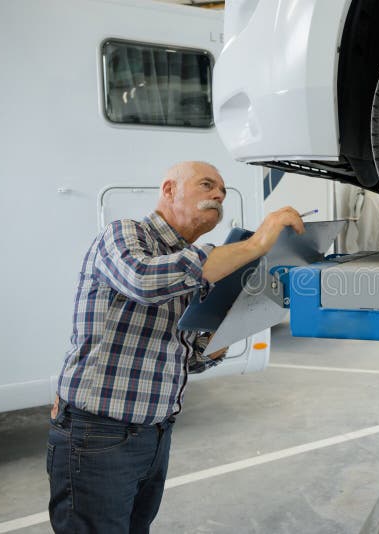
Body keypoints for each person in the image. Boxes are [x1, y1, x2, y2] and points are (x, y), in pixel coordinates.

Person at [47, 161, 304, 533]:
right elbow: (145, 281)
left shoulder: (193, 265)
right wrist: (257, 243)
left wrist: (223, 335)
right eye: (207, 185)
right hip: (97, 436)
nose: (219, 194)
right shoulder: (123, 235)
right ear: (169, 191)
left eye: (223, 190)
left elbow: (178, 351)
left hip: (153, 434)